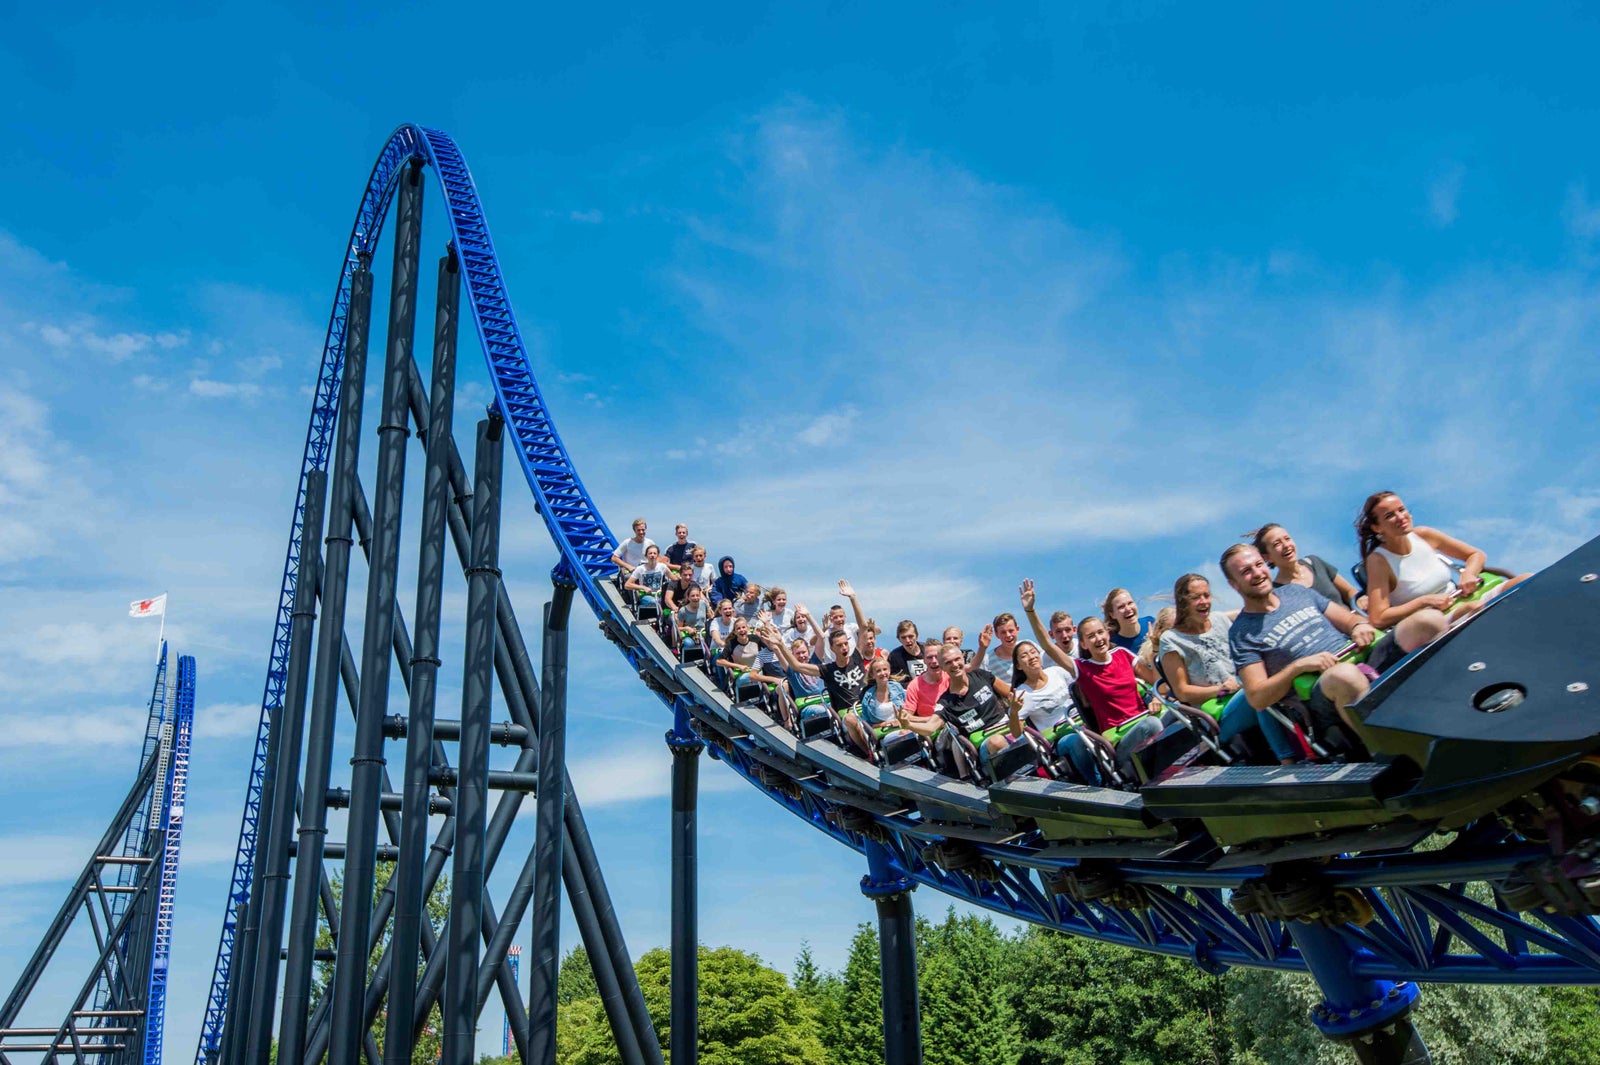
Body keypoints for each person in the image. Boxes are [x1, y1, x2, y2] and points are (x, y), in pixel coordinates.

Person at [1223, 543, 1449, 748]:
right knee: (1345, 675)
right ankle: (1398, 749)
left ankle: (1448, 712)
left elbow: (1351, 620)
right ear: (1234, 584)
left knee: (1428, 621)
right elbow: (1257, 697)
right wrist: (1297, 667)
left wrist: (1359, 627)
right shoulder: (1241, 633)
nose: (1256, 573)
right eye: (1246, 571)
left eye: (1258, 565)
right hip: (1320, 698)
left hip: (1358, 658)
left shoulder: (1296, 592)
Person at [1159, 573, 1297, 764]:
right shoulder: (1172, 640)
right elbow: (1183, 692)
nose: (1204, 601)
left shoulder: (1220, 620)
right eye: (1195, 597)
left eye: (1206, 595)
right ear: (1182, 602)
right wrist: (1222, 688)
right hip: (1218, 712)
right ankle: (1287, 760)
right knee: (1258, 692)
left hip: (1243, 686)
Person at [1357, 491, 1530, 629]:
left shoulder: (1424, 535)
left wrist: (1469, 574)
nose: (1401, 517)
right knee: (1474, 609)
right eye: (1389, 516)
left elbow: (1475, 554)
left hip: (1462, 597)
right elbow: (1378, 617)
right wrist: (1424, 601)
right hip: (1434, 621)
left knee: (1526, 580)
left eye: (1401, 510)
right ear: (1377, 527)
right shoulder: (1378, 561)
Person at [1047, 615, 1177, 787]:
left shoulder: (1122, 654)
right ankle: (1163, 778)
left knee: (1179, 710)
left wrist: (1154, 695)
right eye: (1091, 636)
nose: (1098, 638)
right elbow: (1048, 647)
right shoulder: (1083, 668)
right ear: (1084, 644)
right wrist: (1031, 611)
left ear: (1107, 634)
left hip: (1143, 720)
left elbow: (1158, 685)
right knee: (1152, 725)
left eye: (1100, 632)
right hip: (1121, 743)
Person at [931, 644, 1019, 774]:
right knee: (997, 742)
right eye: (948, 663)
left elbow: (1012, 694)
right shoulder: (946, 702)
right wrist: (908, 723)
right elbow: (929, 726)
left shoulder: (980, 675)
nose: (954, 664)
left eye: (957, 659)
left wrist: (1017, 704)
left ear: (963, 658)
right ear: (943, 668)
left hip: (1008, 728)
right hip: (985, 745)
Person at [1251, 523, 1362, 610]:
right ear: (1267, 557)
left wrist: (1360, 600)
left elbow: (1349, 591)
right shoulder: (1278, 592)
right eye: (1277, 544)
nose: (1286, 545)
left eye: (1287, 539)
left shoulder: (1314, 562)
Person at [848, 657, 914, 758]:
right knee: (904, 735)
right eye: (878, 671)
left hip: (901, 725)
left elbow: (909, 708)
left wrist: (901, 720)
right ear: (872, 675)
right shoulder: (868, 696)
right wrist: (883, 724)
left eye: (885, 669)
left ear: (889, 670)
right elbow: (866, 724)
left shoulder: (897, 687)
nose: (883, 673)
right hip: (884, 731)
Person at [1020, 579, 1076, 658]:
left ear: (1074, 630)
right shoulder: (1045, 658)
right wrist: (1029, 609)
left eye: (1068, 630)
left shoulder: (1086, 648)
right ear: (1051, 634)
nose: (1064, 635)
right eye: (1058, 631)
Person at [899, 640, 949, 719]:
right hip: (926, 726)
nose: (934, 661)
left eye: (937, 657)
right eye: (929, 657)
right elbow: (908, 715)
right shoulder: (914, 685)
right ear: (924, 660)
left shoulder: (952, 678)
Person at [1103, 588, 1154, 653]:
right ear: (1112, 615)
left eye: (1130, 603)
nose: (1128, 609)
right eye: (1121, 607)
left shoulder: (1152, 623)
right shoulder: (1112, 646)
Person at [622, 544, 670, 609]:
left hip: (659, 594)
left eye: (654, 553)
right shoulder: (640, 569)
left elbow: (674, 579)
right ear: (646, 556)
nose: (652, 555)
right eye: (650, 553)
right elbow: (627, 585)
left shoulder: (662, 567)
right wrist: (643, 587)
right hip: (646, 596)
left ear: (658, 555)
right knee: (655, 602)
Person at [674, 585, 711, 655]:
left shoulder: (703, 604)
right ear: (688, 597)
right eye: (693, 596)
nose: (695, 598)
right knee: (689, 643)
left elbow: (709, 617)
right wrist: (687, 628)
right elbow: (678, 628)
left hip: (703, 633)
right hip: (691, 635)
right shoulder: (683, 611)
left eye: (697, 595)